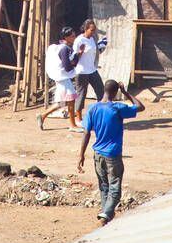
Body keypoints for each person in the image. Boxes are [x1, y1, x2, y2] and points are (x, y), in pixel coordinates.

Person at [77, 80, 145, 226]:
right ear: (115, 93)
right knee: (114, 187)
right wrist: (126, 92)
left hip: (97, 154)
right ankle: (106, 215)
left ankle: (104, 214)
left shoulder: (92, 108)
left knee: (103, 186)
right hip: (113, 154)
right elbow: (140, 107)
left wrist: (81, 155)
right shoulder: (117, 108)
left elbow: (86, 133)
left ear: (104, 91)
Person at [37, 27, 82, 132]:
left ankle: (43, 115)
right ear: (66, 37)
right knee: (71, 99)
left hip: (61, 77)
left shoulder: (65, 48)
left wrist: (73, 61)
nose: (74, 38)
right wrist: (75, 60)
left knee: (62, 102)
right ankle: (73, 125)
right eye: (72, 36)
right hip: (62, 78)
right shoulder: (64, 49)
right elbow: (67, 67)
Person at [73, 19, 106, 116]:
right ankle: (78, 116)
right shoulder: (79, 40)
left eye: (94, 30)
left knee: (101, 91)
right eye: (92, 30)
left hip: (92, 70)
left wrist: (100, 47)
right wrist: (81, 52)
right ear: (86, 29)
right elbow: (74, 58)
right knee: (81, 94)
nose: (94, 32)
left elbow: (94, 52)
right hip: (82, 72)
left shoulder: (92, 39)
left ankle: (101, 113)